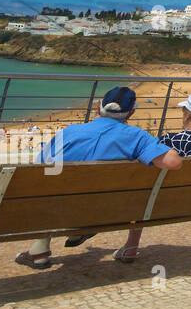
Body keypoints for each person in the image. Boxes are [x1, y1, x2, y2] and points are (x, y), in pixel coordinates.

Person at [15, 87, 182, 270]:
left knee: (50, 187)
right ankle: (79, 231)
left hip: (60, 209)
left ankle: (40, 249)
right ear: (131, 113)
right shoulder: (137, 137)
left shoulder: (70, 132)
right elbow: (173, 162)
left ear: (97, 108)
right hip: (105, 211)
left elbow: (40, 167)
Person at [115, 92, 191, 263]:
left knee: (140, 197)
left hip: (160, 202)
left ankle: (131, 246)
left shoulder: (170, 140)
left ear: (187, 115)